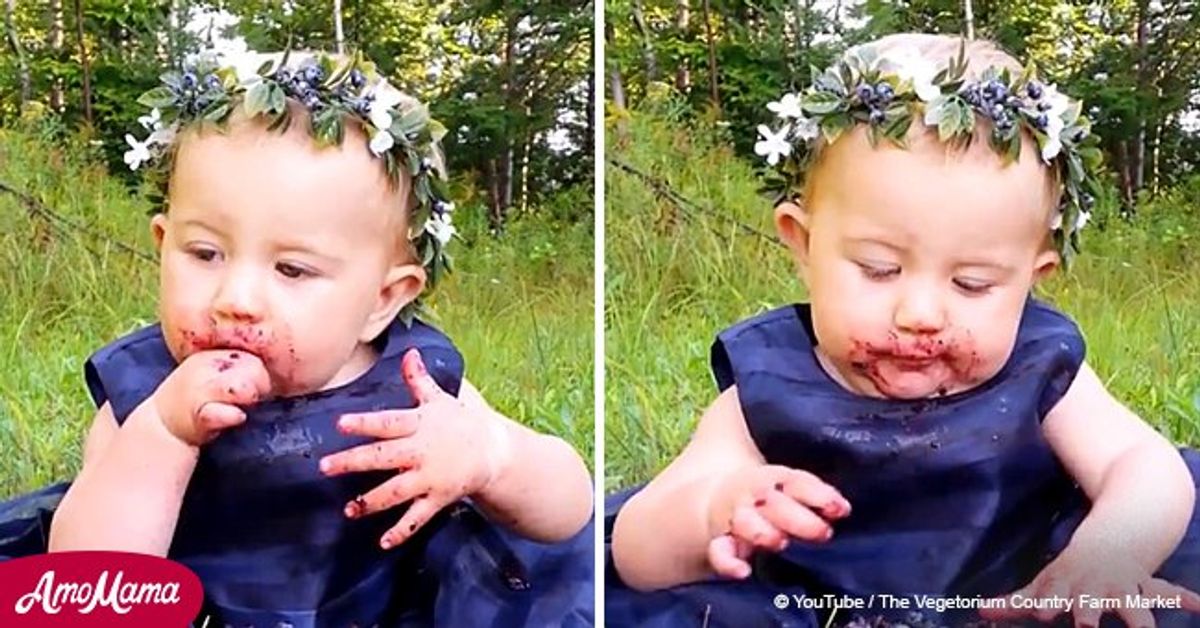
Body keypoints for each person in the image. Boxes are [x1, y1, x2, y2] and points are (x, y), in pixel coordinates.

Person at [607, 33, 1200, 628]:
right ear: (803, 243)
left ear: (1032, 277)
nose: (920, 313)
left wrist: (1106, 555)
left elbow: (1144, 465)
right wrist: (715, 506)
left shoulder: (1037, 365)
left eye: (972, 283)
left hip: (1018, 596)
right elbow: (637, 549)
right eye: (879, 269)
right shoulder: (770, 388)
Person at [1, 50, 593, 627]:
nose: (237, 298)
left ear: (382, 300)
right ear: (163, 245)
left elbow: (569, 510)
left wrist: (490, 455)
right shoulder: (147, 396)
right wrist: (163, 435)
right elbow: (86, 588)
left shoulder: (413, 387)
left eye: (292, 270)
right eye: (205, 253)